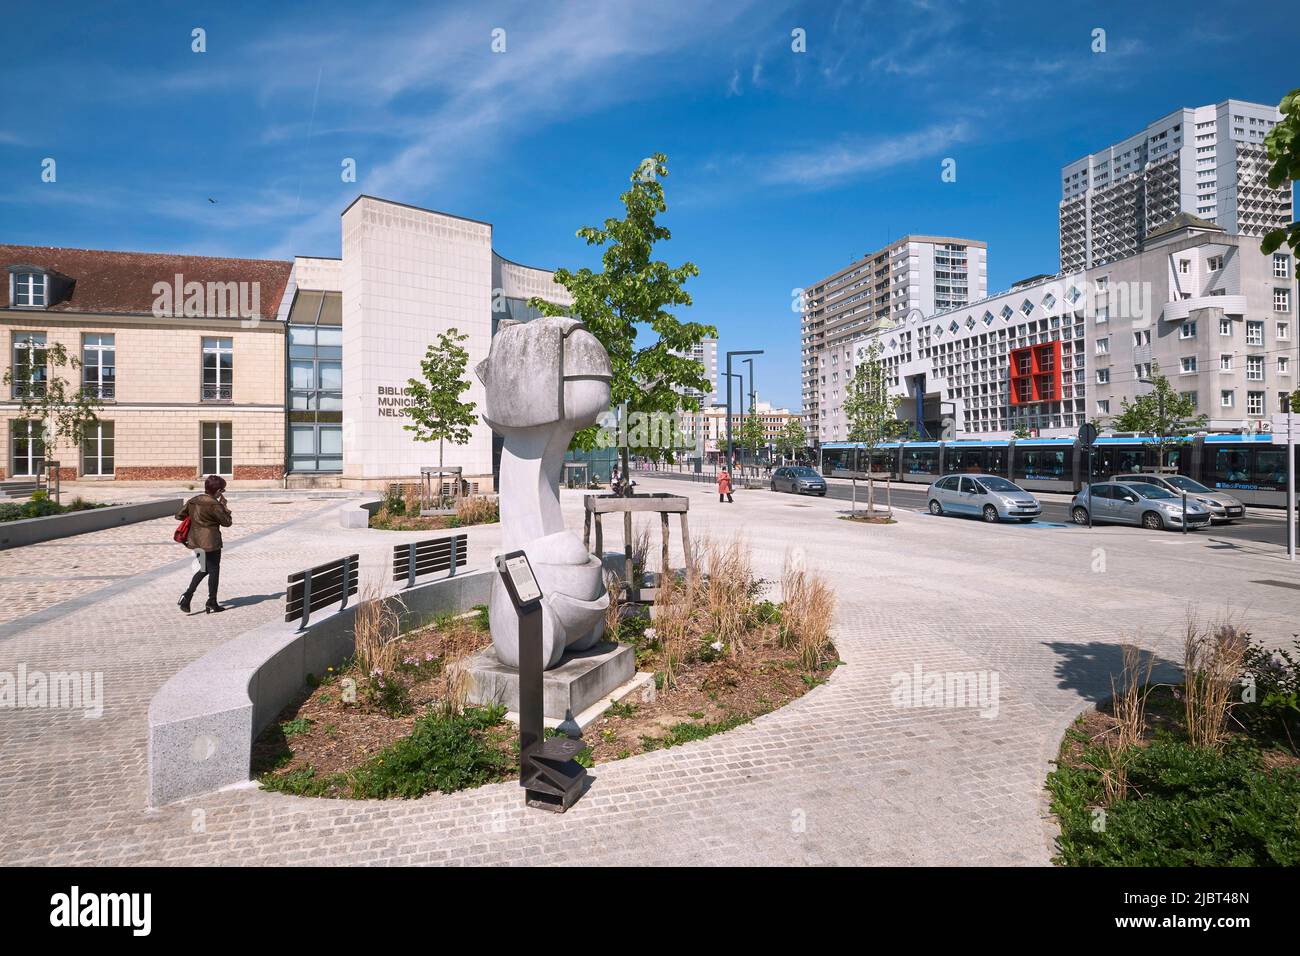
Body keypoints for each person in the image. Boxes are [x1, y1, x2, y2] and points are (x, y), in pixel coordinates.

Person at [176, 474, 233, 613]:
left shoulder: (193, 501)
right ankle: (211, 601)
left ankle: (187, 596)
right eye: (223, 490)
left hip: (195, 542)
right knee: (214, 570)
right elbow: (227, 522)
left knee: (204, 569)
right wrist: (224, 506)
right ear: (218, 491)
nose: (223, 493)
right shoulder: (215, 504)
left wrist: (195, 516)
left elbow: (179, 515)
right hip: (211, 542)